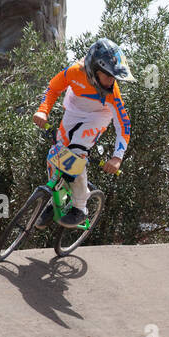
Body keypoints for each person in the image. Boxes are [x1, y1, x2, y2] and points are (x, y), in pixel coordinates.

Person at [32, 38, 134, 227]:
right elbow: (53, 87)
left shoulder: (113, 93)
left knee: (75, 154)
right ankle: (57, 201)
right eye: (108, 76)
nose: (112, 81)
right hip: (73, 110)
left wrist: (117, 157)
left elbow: (123, 125)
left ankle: (80, 208)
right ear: (93, 70)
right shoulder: (74, 72)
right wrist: (42, 110)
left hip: (98, 116)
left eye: (114, 77)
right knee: (54, 156)